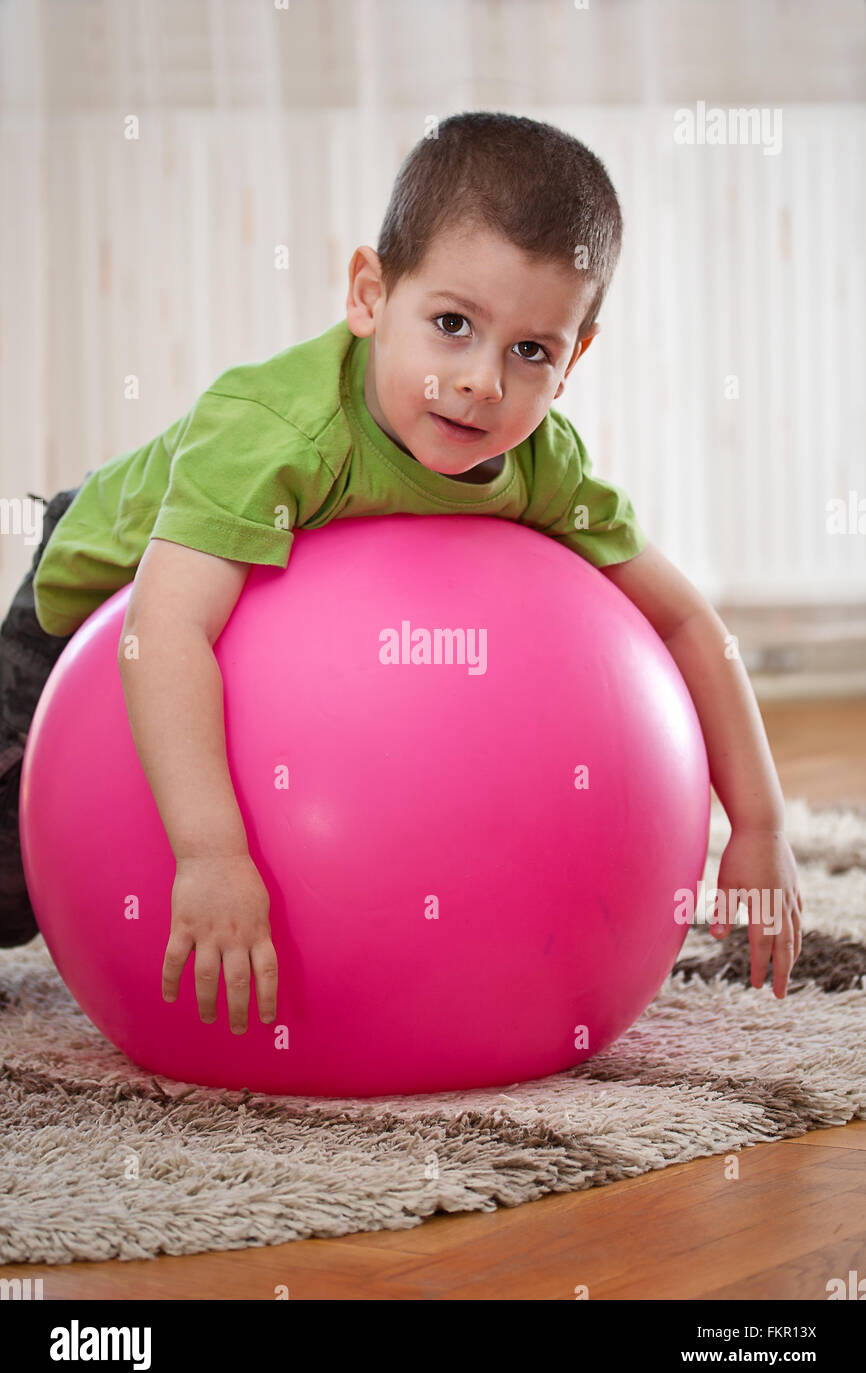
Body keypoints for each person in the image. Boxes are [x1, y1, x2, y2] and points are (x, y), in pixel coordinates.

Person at [0, 110, 802, 1031]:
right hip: (100, 587)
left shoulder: (544, 464)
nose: (482, 383)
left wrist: (761, 824)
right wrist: (212, 853)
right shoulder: (275, 435)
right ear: (371, 296)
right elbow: (163, 629)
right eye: (453, 324)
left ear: (573, 359)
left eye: (530, 351)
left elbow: (683, 622)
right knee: (10, 892)